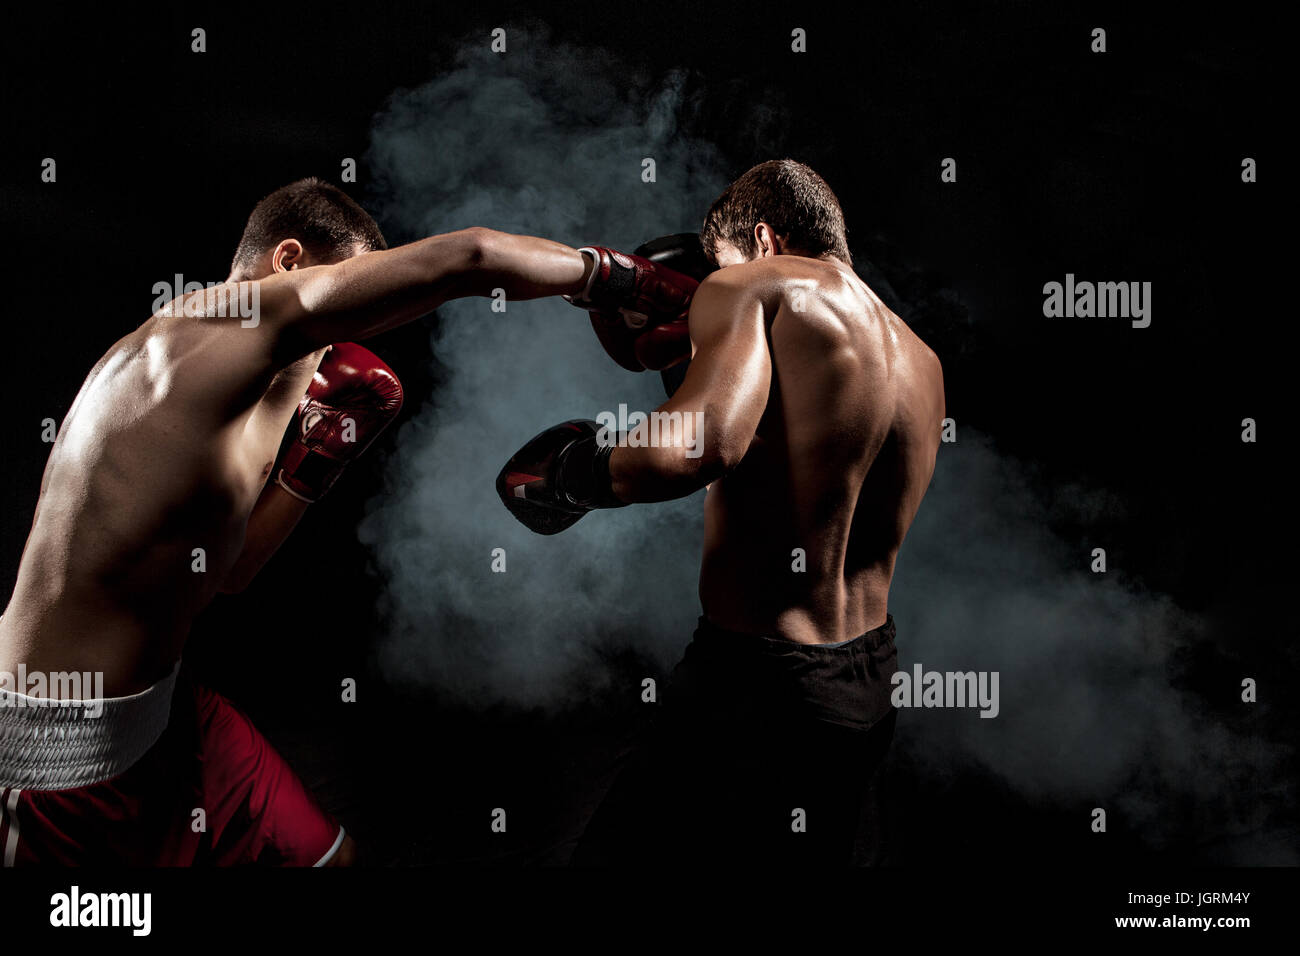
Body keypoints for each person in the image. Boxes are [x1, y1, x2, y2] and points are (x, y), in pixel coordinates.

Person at [0, 176, 696, 865]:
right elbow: (470, 257)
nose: (354, 326)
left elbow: (227, 573)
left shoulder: (239, 386)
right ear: (291, 263)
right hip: (65, 747)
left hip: (168, 714)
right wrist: (611, 278)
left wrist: (310, 472)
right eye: (351, 292)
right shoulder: (221, 324)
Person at [497, 159, 946, 864]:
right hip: (866, 680)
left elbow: (700, 446)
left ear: (762, 239)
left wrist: (573, 472)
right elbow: (792, 451)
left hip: (755, 687)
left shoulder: (752, 284)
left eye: (721, 268)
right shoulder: (921, 357)